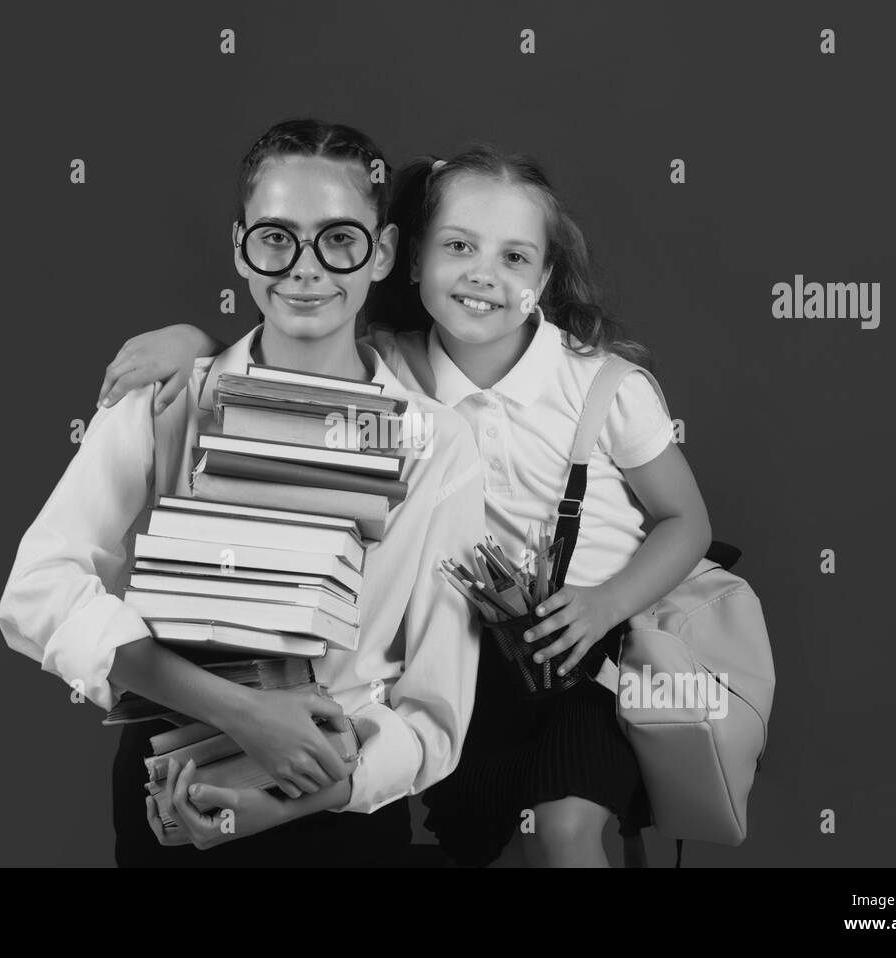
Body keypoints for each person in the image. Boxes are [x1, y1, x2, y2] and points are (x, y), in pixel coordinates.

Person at [97, 144, 714, 867]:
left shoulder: (603, 385)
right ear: (410, 260)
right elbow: (284, 348)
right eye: (458, 246)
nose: (484, 274)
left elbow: (687, 522)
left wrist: (602, 605)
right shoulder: (386, 369)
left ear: (543, 278)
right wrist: (195, 342)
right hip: (469, 660)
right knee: (459, 830)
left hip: (588, 660)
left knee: (564, 833)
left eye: (515, 258)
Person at [0, 119, 486, 867]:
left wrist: (314, 786)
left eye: (340, 240)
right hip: (171, 775)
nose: (306, 268)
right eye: (276, 238)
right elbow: (38, 589)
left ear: (382, 253)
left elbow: (435, 707)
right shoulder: (164, 398)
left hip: (338, 793)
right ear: (240, 247)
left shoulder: (437, 443)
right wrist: (240, 711)